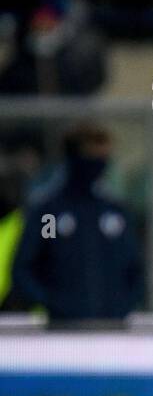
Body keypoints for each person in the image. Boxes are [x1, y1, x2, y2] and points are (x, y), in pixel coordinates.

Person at [11, 122, 145, 323]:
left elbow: (136, 269)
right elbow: (26, 267)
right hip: (64, 330)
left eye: (103, 157)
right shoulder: (51, 214)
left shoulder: (115, 213)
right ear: (74, 159)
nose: (98, 164)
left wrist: (123, 305)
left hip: (113, 329)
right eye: (91, 157)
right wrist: (53, 303)